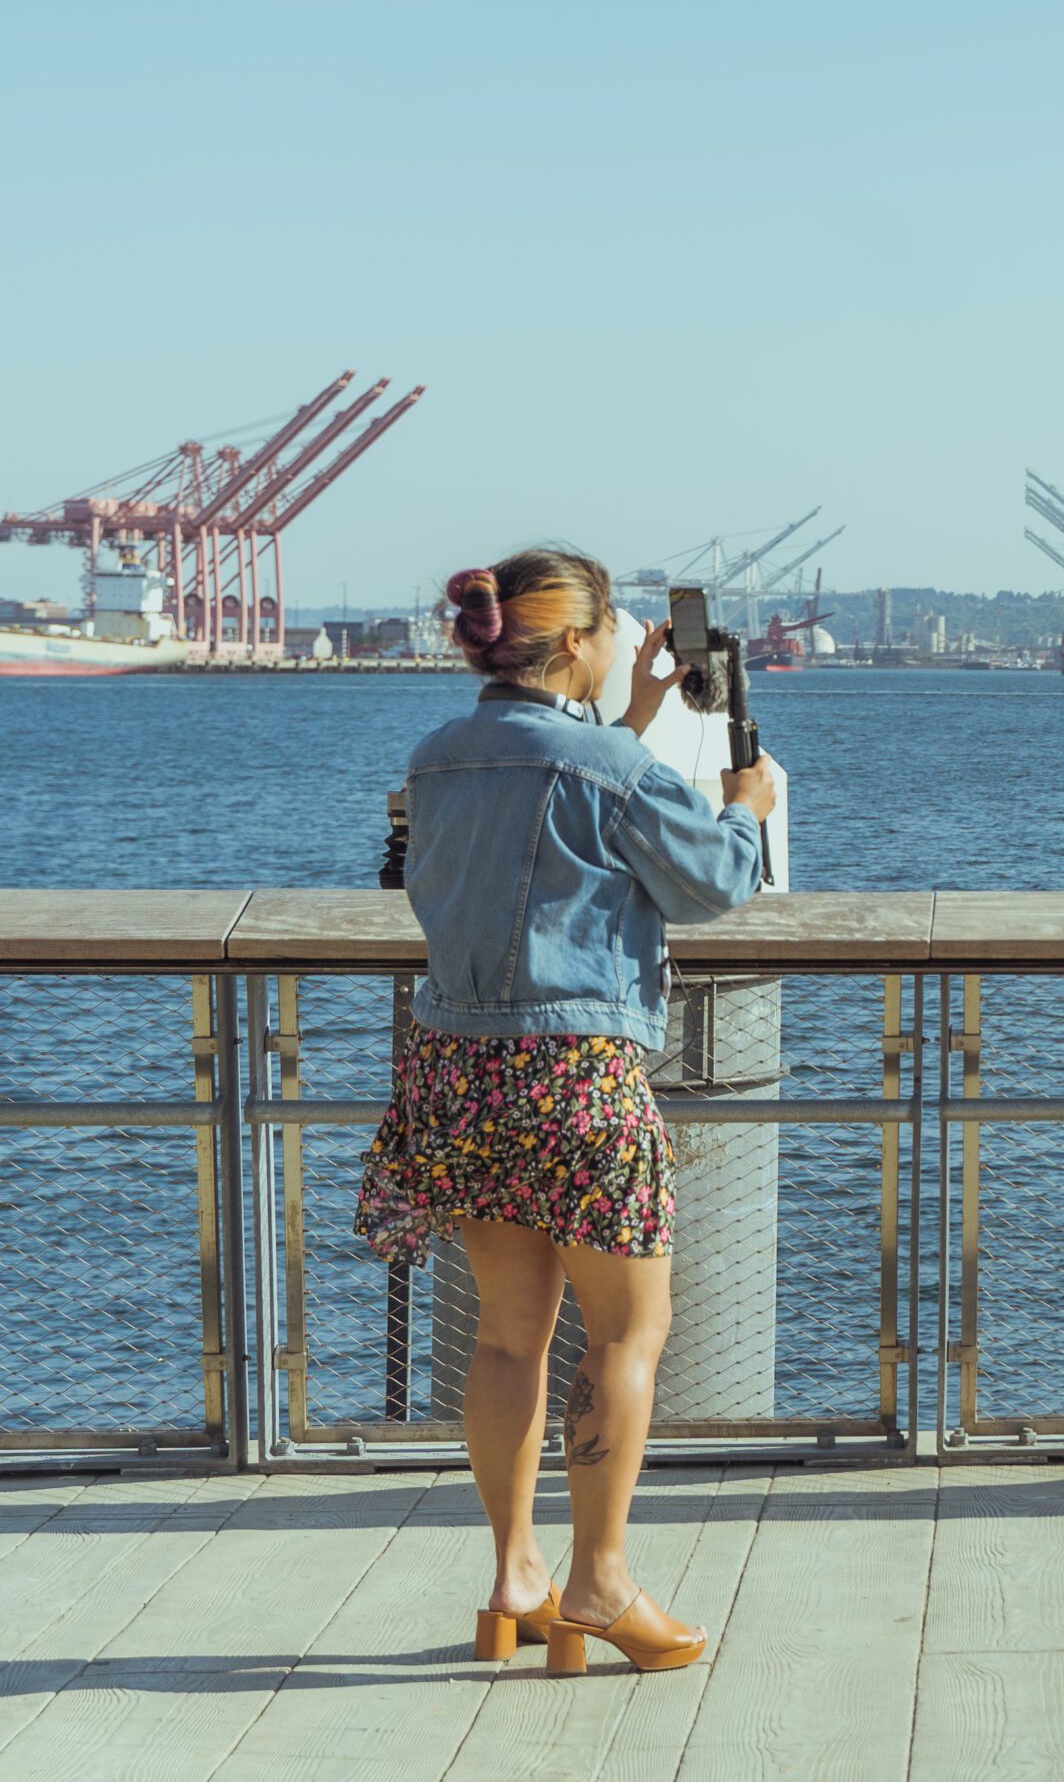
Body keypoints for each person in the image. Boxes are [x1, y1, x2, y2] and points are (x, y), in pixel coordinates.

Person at [357, 544, 782, 1676]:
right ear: (581, 641)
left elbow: (544, 819)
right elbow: (715, 882)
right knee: (628, 1332)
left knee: (508, 1335)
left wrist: (632, 717)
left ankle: (516, 1577)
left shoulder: (437, 758)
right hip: (577, 1079)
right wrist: (744, 807)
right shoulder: (611, 767)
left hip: (458, 1069)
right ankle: (600, 1583)